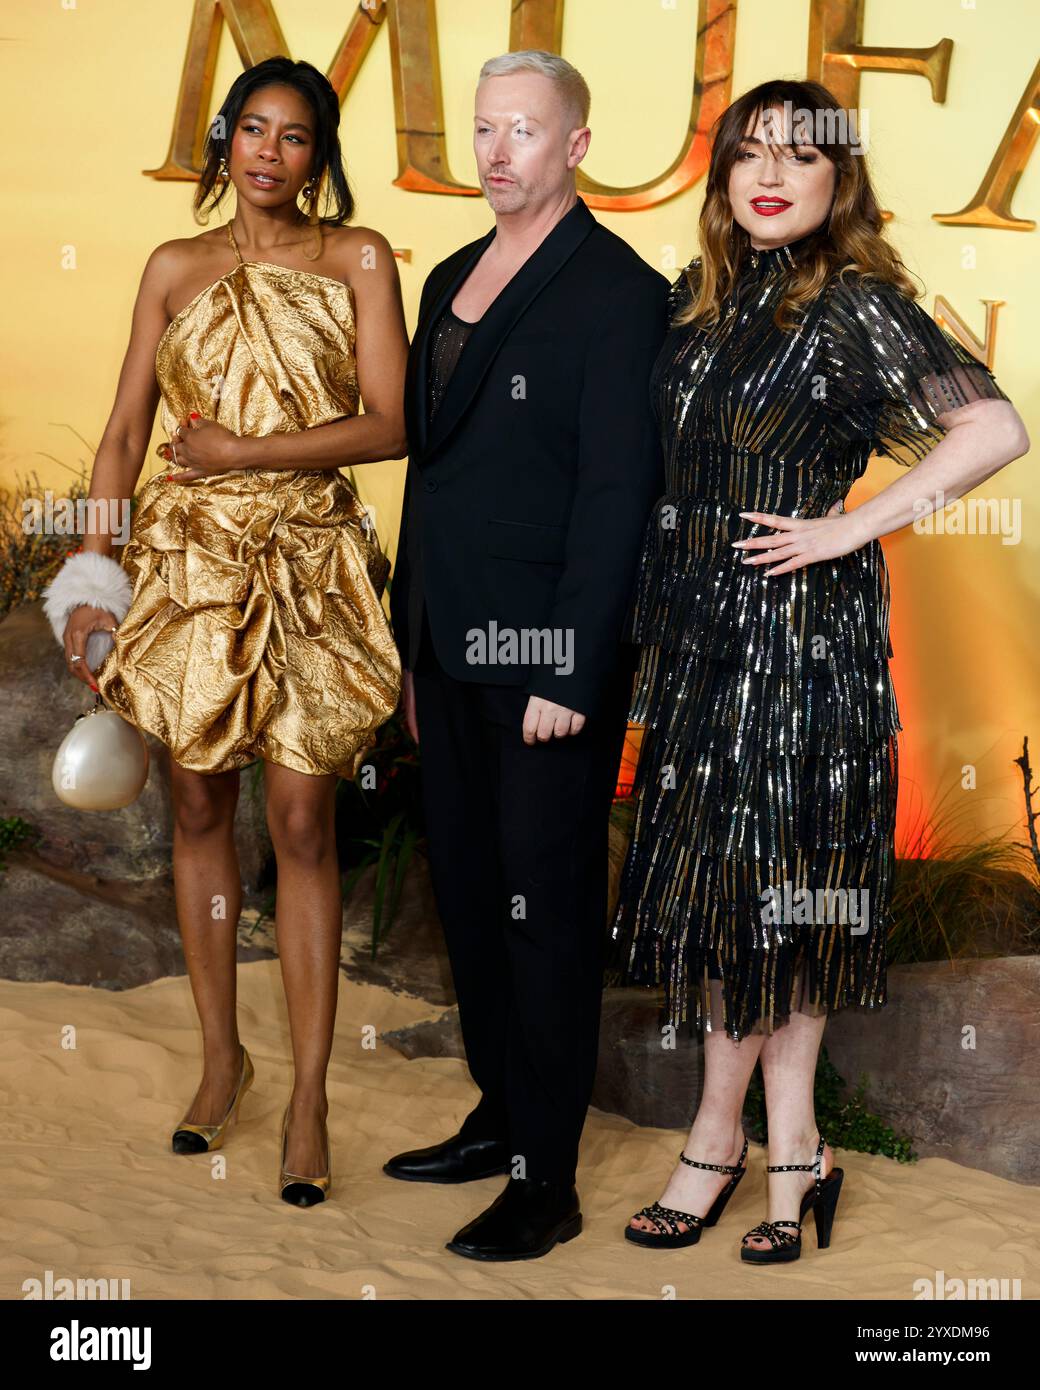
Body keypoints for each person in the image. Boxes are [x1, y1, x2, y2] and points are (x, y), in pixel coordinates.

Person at [609, 79, 1029, 1263]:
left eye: (800, 156)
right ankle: (792, 1144)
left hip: (798, 639)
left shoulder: (850, 304)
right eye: (748, 153)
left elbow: (992, 428)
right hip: (700, 636)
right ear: (721, 174)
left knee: (772, 877)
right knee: (732, 881)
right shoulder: (704, 305)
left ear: (839, 182)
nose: (770, 175)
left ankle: (718, 1138)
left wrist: (850, 526)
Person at [42, 57, 408, 1207]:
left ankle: (308, 1096)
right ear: (223, 140)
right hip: (190, 565)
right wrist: (92, 572)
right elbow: (120, 434)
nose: (268, 153)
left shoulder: (357, 259)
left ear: (319, 155)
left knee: (300, 816)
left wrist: (244, 455)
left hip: (310, 562)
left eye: (294, 138)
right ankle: (220, 1060)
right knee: (197, 801)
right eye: (252, 130)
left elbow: (388, 425)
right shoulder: (175, 266)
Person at [384, 49, 668, 1260]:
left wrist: (565, 666)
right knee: (466, 892)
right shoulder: (448, 272)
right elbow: (429, 476)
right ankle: (498, 1118)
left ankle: (543, 1181)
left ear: (576, 147)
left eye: (524, 131)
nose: (497, 151)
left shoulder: (619, 293)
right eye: (484, 130)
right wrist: (407, 644)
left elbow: (616, 497)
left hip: (545, 663)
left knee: (542, 912)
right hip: (444, 648)